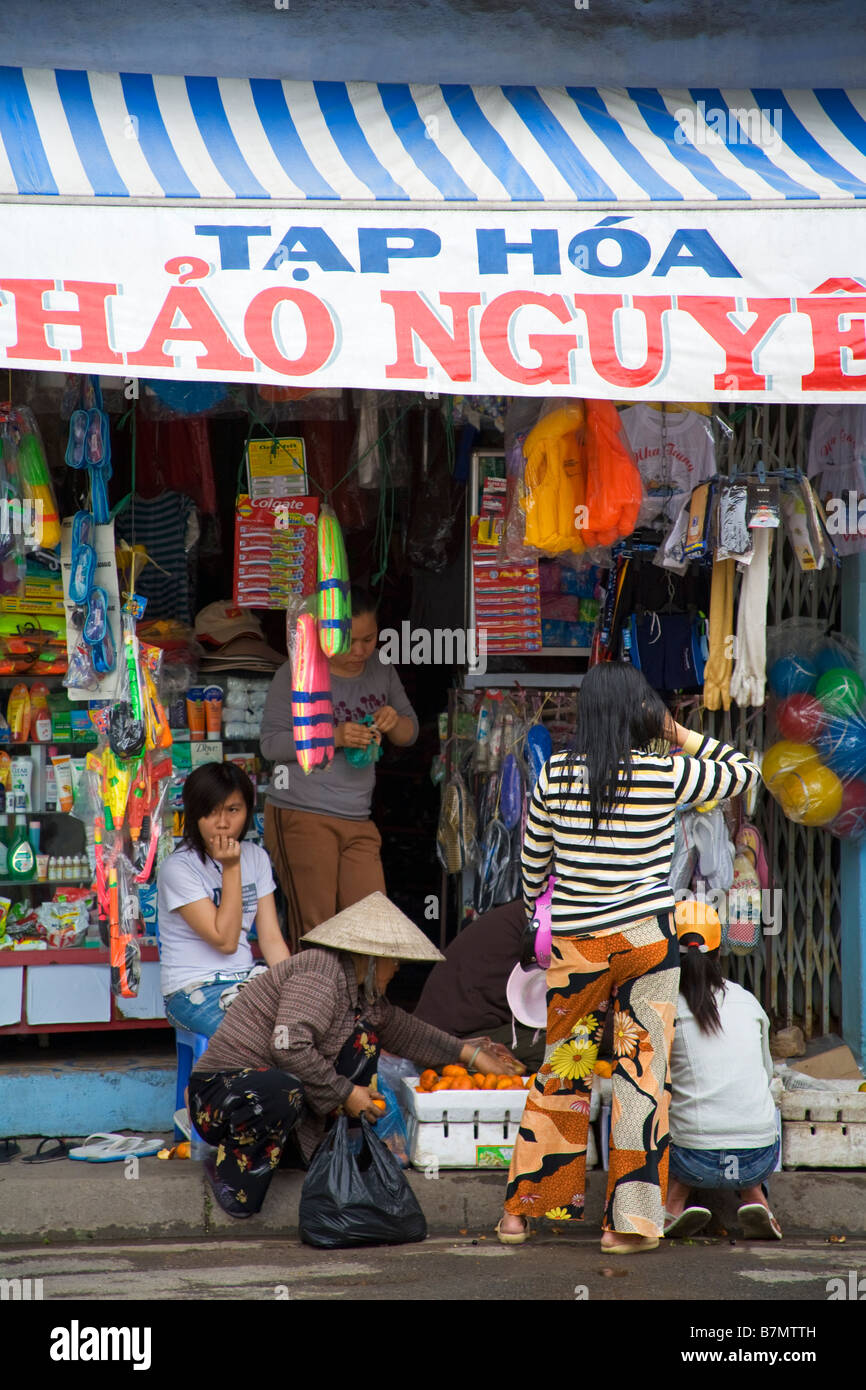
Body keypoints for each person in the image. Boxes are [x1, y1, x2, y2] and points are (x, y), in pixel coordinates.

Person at [498, 662, 762, 1252]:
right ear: (639, 710)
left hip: (578, 946)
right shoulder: (664, 771)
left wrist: (553, 909)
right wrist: (675, 731)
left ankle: (520, 1213)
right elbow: (744, 773)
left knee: (563, 1069)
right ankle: (629, 1226)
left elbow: (533, 869)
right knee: (642, 1079)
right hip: (646, 943)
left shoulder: (554, 775)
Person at [188, 892, 518, 1217]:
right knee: (282, 1091)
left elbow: (409, 1032)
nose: (397, 970)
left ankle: (316, 1151)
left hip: (269, 1094)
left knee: (364, 1039)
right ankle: (230, 1174)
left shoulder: (362, 997)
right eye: (394, 961)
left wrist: (472, 1056)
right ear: (371, 958)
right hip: (224, 1094)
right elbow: (289, 1044)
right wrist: (346, 1094)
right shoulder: (320, 972)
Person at [261, 586, 419, 952]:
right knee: (318, 930)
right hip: (302, 812)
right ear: (326, 634)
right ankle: (313, 1008)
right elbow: (271, 744)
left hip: (358, 817)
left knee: (373, 926)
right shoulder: (297, 672)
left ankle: (362, 1009)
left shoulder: (381, 669)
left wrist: (393, 722)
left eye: (369, 639)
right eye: (351, 641)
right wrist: (334, 736)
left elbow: (409, 732)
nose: (362, 651)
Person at [664, 899, 782, 1241]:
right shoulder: (748, 1001)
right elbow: (766, 1072)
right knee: (759, 1097)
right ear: (719, 953)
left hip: (691, 1159)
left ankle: (674, 1204)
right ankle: (755, 1198)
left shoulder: (666, 1006)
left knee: (659, 1101)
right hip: (759, 1156)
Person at [158, 762, 290, 1037]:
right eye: (212, 811)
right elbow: (226, 941)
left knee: (304, 1030)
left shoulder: (256, 856)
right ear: (195, 815)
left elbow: (271, 939)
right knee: (260, 1039)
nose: (222, 823)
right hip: (192, 990)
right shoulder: (179, 867)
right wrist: (231, 868)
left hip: (245, 982)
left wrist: (293, 991)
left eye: (233, 810)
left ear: (247, 811)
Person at [414, 899, 537, 1071]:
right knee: (569, 1046)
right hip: (451, 1042)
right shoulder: (543, 923)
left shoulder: (532, 914)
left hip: (443, 1035)